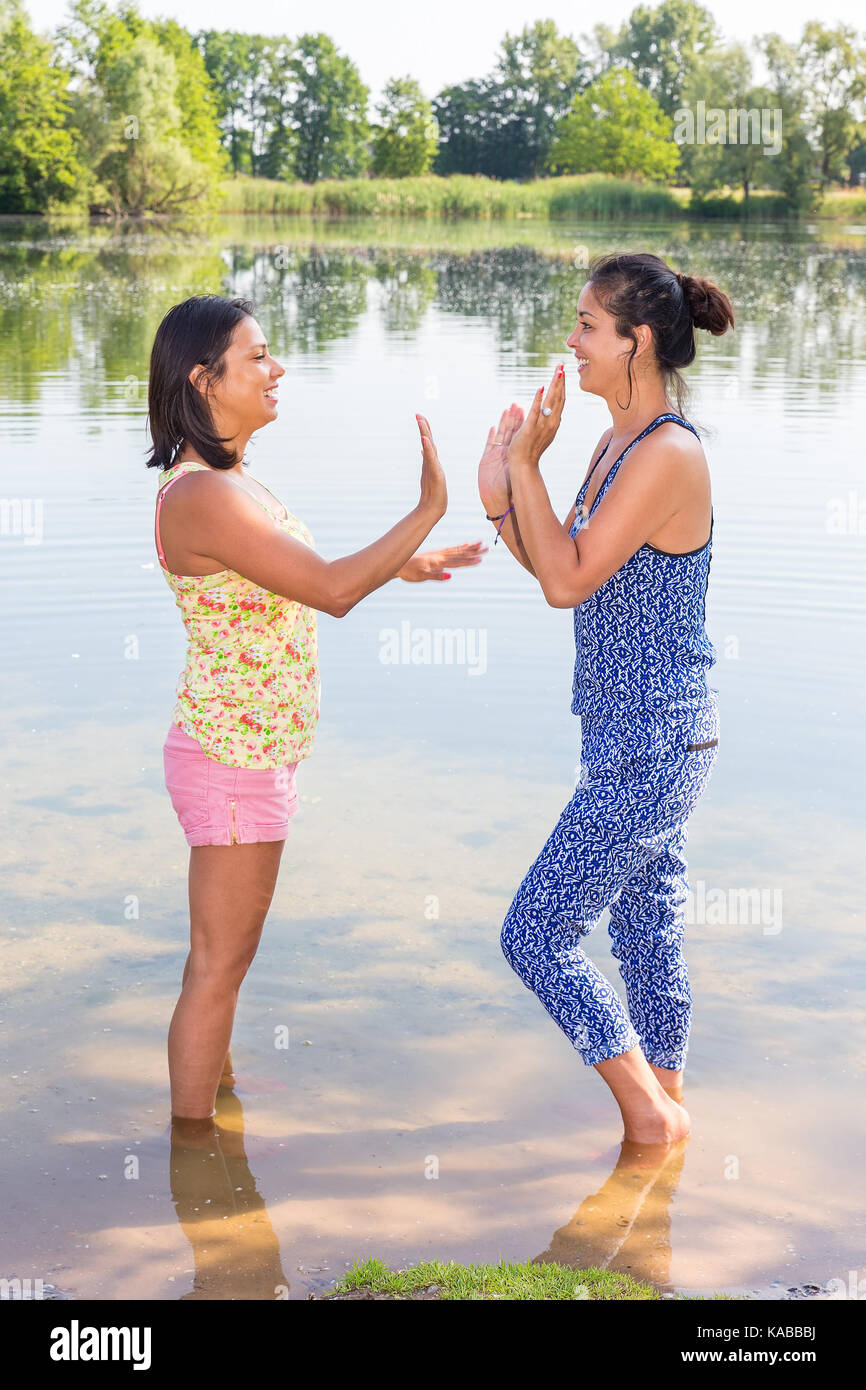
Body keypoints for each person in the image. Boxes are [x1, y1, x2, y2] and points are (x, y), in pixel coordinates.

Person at [148, 294, 483, 1122]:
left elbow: (296, 577)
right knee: (218, 965)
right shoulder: (203, 495)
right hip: (232, 762)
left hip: (247, 754)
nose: (277, 369)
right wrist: (426, 508)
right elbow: (331, 591)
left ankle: (214, 1105)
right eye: (257, 356)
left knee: (221, 964)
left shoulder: (228, 482)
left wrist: (404, 561)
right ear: (204, 379)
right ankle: (194, 1153)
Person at [478, 252, 735, 1145]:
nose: (573, 340)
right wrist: (504, 504)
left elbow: (566, 582)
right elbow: (566, 573)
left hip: (657, 741)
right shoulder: (613, 443)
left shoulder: (666, 452)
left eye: (589, 325)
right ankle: (663, 1128)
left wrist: (526, 464)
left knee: (535, 935)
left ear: (640, 341)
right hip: (630, 736)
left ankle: (648, 1117)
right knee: (647, 935)